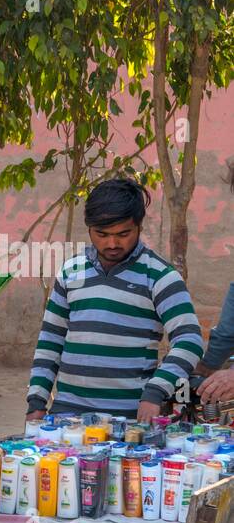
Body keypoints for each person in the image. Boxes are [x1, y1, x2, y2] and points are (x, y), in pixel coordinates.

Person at [26, 178, 203, 422]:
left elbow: (189, 341)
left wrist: (155, 392)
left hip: (129, 420)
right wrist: (37, 401)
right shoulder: (70, 272)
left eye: (123, 234)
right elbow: (50, 341)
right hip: (67, 417)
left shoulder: (161, 276)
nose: (112, 243)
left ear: (139, 227)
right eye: (102, 234)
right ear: (89, 228)